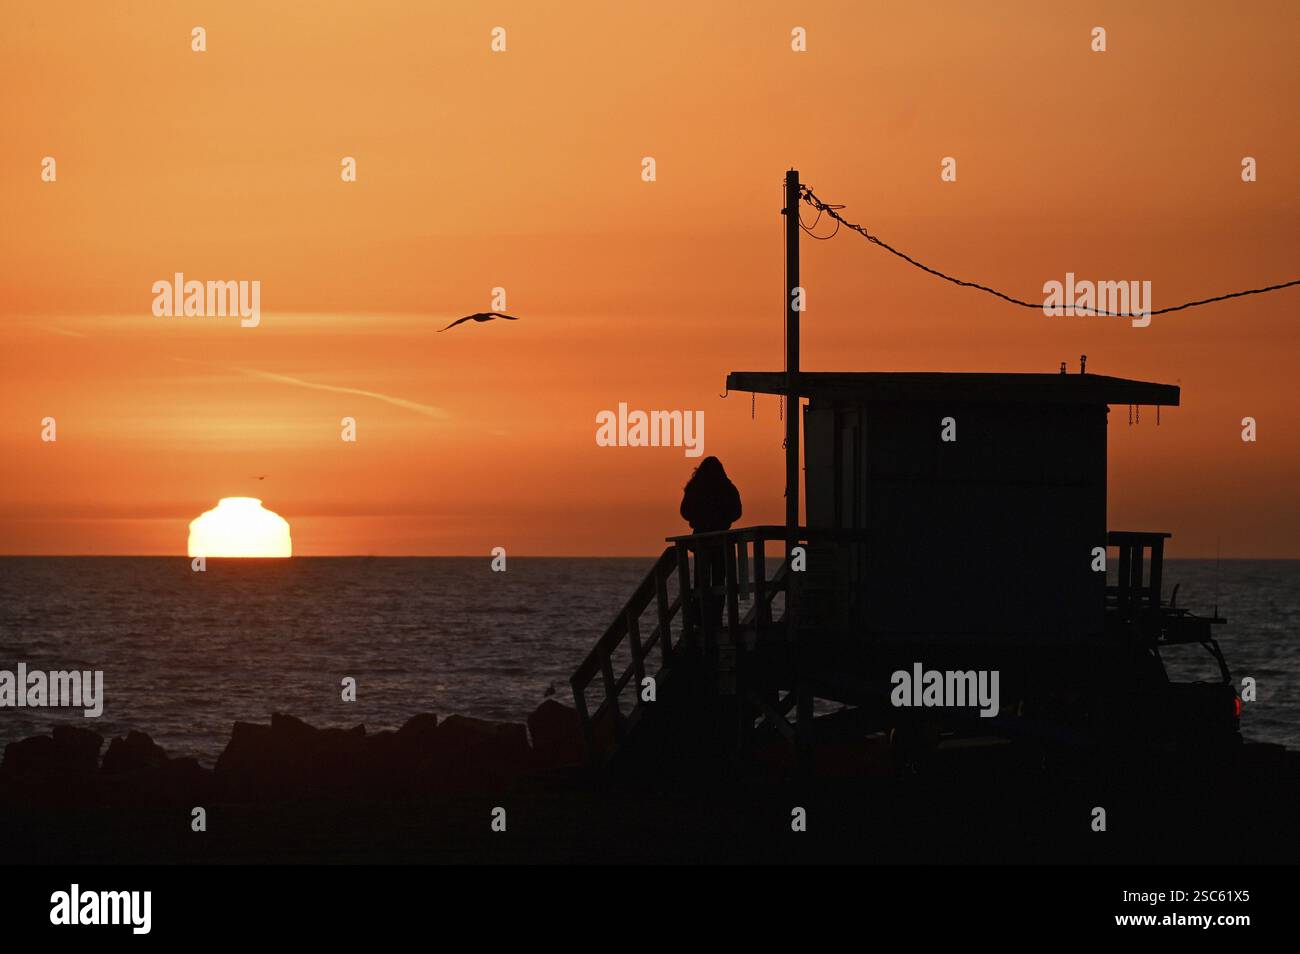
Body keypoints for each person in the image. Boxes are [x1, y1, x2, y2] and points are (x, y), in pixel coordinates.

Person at [679, 456, 742, 631]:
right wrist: (723, 520)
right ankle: (715, 618)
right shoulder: (727, 487)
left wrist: (697, 520)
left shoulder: (695, 487)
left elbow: (684, 510)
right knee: (719, 581)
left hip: (702, 541)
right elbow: (737, 512)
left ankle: (701, 617)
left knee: (701, 581)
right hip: (721, 541)